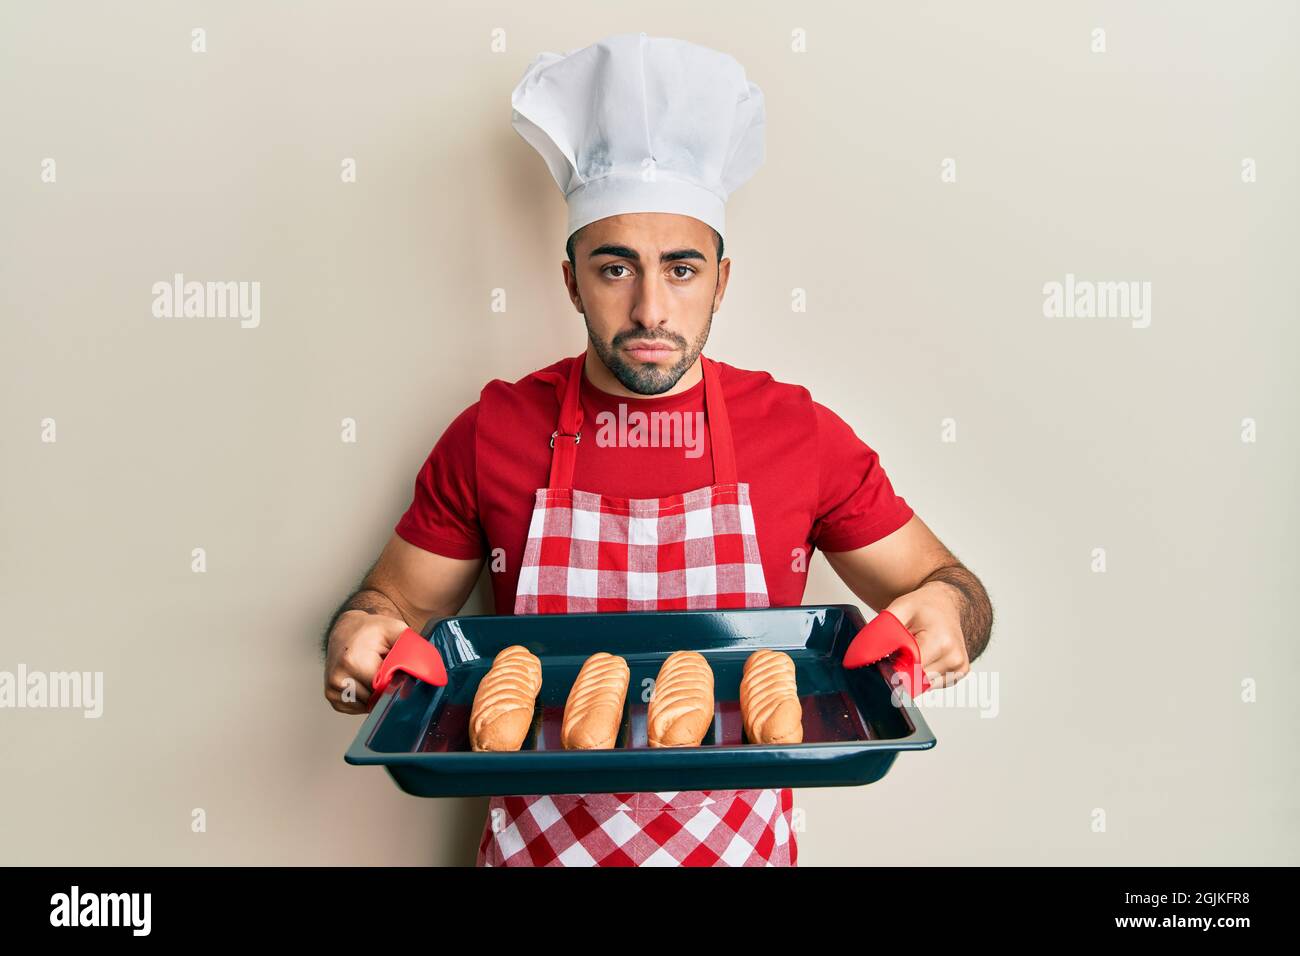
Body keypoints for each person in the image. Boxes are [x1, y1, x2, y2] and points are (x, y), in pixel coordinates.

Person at [323, 31, 992, 867]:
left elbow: (948, 588)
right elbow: (392, 609)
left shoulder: (798, 432)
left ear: (721, 278)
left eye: (681, 270)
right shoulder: (493, 430)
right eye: (614, 269)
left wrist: (949, 618)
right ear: (571, 279)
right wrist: (360, 636)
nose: (650, 310)